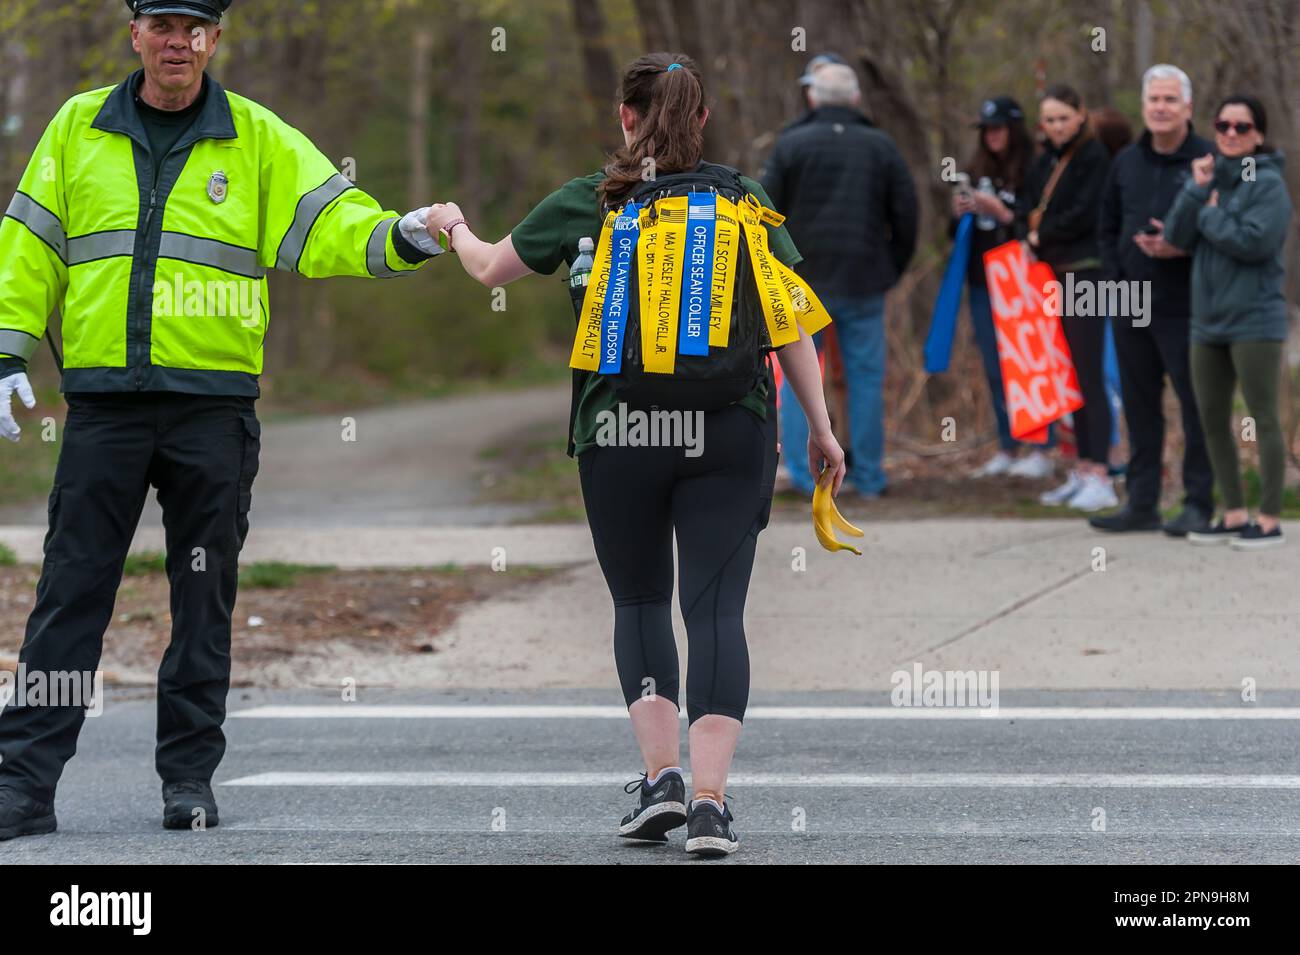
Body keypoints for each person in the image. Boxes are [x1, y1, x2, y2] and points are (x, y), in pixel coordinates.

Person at [0, 0, 442, 841]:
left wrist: (403, 236)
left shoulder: (257, 136)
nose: (178, 41)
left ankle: (189, 779)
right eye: (162, 24)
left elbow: (331, 225)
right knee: (68, 596)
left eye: (195, 26)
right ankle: (21, 785)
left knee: (203, 599)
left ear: (214, 38)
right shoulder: (75, 127)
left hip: (213, 412)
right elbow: (28, 245)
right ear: (134, 34)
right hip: (104, 409)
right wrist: (7, 350)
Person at [422, 52, 845, 856]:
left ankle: (662, 784)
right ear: (704, 120)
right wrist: (822, 430)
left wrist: (451, 224)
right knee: (715, 610)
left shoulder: (588, 200)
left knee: (641, 603)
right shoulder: (743, 202)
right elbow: (791, 326)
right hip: (730, 427)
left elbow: (487, 269)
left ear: (624, 117)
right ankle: (713, 806)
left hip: (619, 433)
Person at [761, 62, 918, 499]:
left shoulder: (791, 145)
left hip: (802, 280)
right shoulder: (882, 146)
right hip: (865, 279)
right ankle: (869, 477)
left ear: (813, 99)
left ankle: (800, 471)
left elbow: (765, 209)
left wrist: (778, 270)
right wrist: (892, 268)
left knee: (797, 375)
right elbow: (906, 215)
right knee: (867, 378)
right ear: (854, 100)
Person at [1090, 64, 1215, 536]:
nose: (1160, 108)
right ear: (1143, 107)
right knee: (1139, 407)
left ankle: (1199, 502)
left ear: (1188, 107)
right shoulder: (1126, 161)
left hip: (1187, 303)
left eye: (1169, 99)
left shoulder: (1208, 159)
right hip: (1128, 300)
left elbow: (1225, 231)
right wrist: (1116, 278)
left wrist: (1182, 246)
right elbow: (1105, 227)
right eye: (1153, 100)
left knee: (1195, 404)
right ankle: (1142, 503)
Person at [1166, 95, 1293, 549]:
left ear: (1258, 134)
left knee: (1262, 418)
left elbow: (1255, 242)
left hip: (1255, 320)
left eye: (1242, 127)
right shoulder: (1208, 179)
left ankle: (1268, 518)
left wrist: (1210, 214)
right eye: (1223, 125)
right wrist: (1195, 192)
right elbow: (1175, 237)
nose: (1231, 134)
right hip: (1207, 321)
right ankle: (1234, 511)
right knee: (1211, 418)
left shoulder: (1268, 182)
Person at [1017, 84, 1116, 512]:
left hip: (1086, 276)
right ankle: (1082, 466)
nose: (1057, 126)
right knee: (1069, 376)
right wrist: (1029, 231)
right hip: (1053, 275)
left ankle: (1102, 472)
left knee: (1089, 373)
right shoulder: (1047, 159)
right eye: (1050, 119)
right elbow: (1027, 202)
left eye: (1063, 117)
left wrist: (1041, 235)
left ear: (1080, 115)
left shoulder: (1095, 158)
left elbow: (1087, 213)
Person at [953, 95, 1054, 480]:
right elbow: (956, 234)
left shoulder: (1036, 167)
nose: (992, 136)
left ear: (1014, 129)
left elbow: (1036, 225)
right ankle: (1008, 446)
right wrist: (959, 214)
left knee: (1028, 363)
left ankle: (1042, 447)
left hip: (1021, 279)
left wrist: (1002, 213)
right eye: (986, 130)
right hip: (981, 279)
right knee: (995, 368)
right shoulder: (976, 169)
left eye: (998, 128)